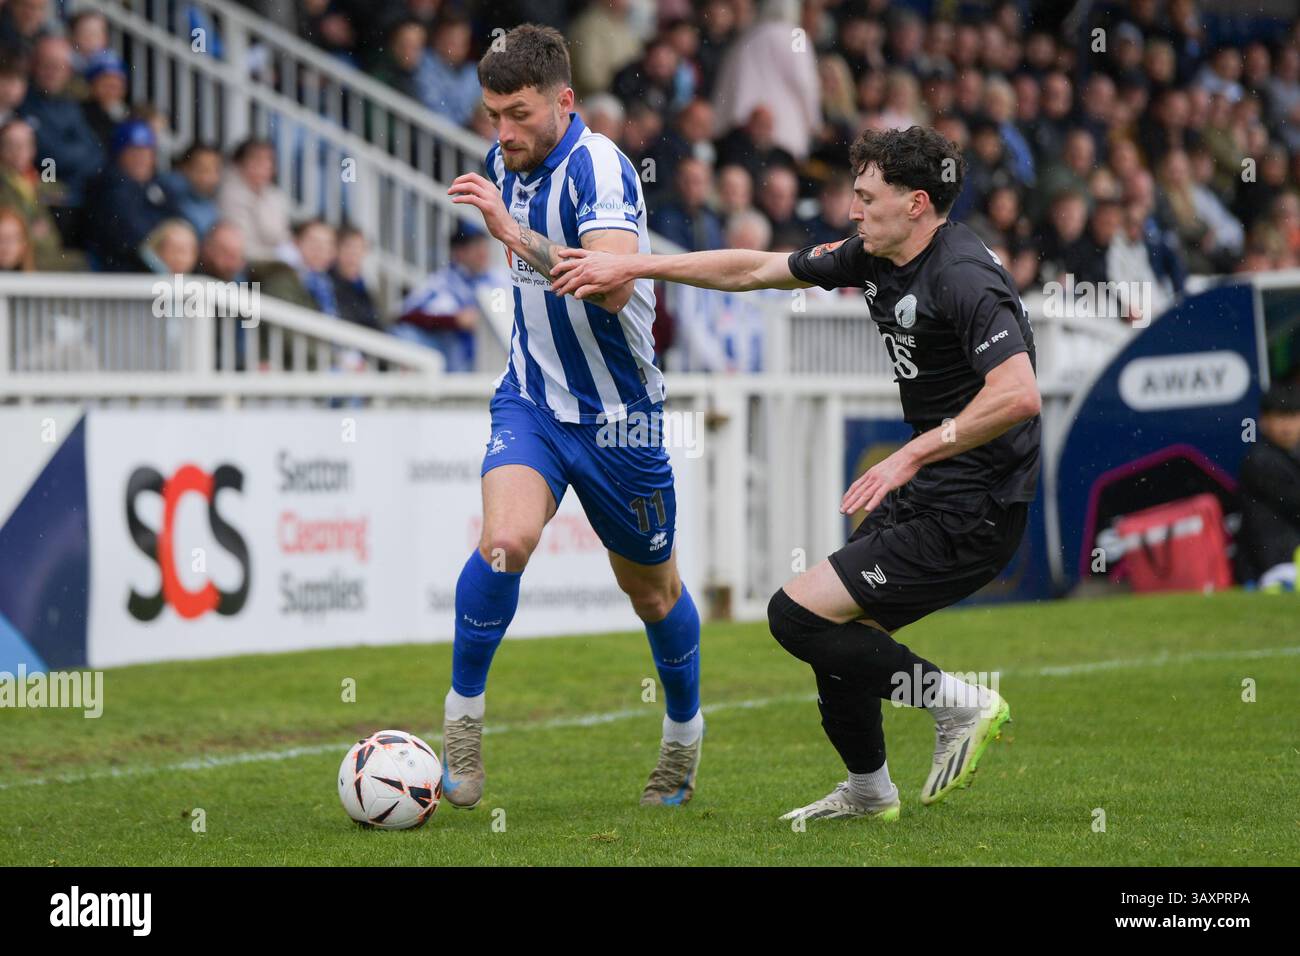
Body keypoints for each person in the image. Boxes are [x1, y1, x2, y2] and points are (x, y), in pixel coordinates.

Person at [552, 125, 1041, 822]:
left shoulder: (960, 276)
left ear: (917, 203)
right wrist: (636, 268)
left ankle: (959, 704)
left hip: (978, 504)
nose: (851, 210)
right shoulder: (875, 255)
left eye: (867, 197)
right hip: (939, 489)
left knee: (794, 614)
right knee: (834, 629)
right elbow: (753, 270)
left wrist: (911, 453)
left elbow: (1019, 393)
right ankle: (871, 791)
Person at [442, 23, 704, 810]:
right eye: (493, 115)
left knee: (653, 594)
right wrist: (512, 226)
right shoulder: (507, 162)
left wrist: (511, 233)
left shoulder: (601, 169)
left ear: (564, 100)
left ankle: (683, 740)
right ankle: (461, 725)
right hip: (531, 401)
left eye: (518, 113)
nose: (504, 132)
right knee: (503, 544)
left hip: (621, 419)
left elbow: (614, 285)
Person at [1237, 383, 1300, 588]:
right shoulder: (1260, 460)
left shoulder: (1290, 455)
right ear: (1263, 422)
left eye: (1293, 417)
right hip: (1272, 568)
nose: (1287, 427)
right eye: (1280, 418)